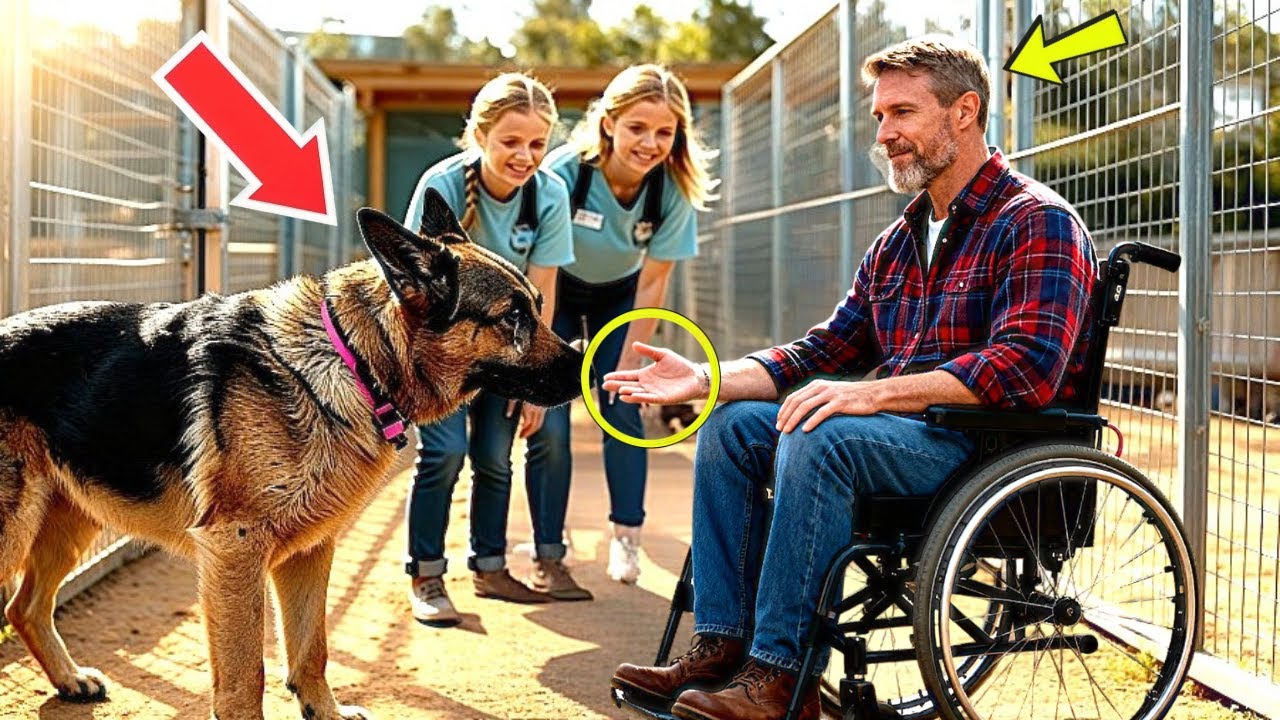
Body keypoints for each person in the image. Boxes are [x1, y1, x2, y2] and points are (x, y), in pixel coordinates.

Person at [603, 36, 1097, 720]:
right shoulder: (899, 241)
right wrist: (707, 378)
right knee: (732, 424)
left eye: (902, 112)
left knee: (823, 432)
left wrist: (872, 394)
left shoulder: (1037, 221)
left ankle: (783, 680)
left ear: (965, 112)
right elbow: (826, 349)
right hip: (900, 436)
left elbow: (1027, 367)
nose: (885, 133)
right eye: (879, 116)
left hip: (985, 448)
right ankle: (724, 648)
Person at [526, 64, 716, 590]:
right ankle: (548, 547)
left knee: (623, 407)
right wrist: (540, 356)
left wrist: (634, 356)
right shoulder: (566, 174)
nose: (650, 142)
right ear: (609, 123)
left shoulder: (672, 190)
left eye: (664, 131)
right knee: (551, 420)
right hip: (557, 290)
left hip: (622, 298)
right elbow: (541, 269)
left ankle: (626, 536)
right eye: (637, 128)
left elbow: (654, 281)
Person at [401, 73, 578, 627]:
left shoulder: (548, 193)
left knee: (496, 459)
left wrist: (534, 379)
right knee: (445, 453)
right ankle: (427, 575)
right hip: (444, 351)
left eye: (536, 144)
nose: (524, 156)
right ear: (480, 134)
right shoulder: (443, 185)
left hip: (508, 353)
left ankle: (491, 566)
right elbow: (414, 292)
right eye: (510, 142)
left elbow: (541, 291)